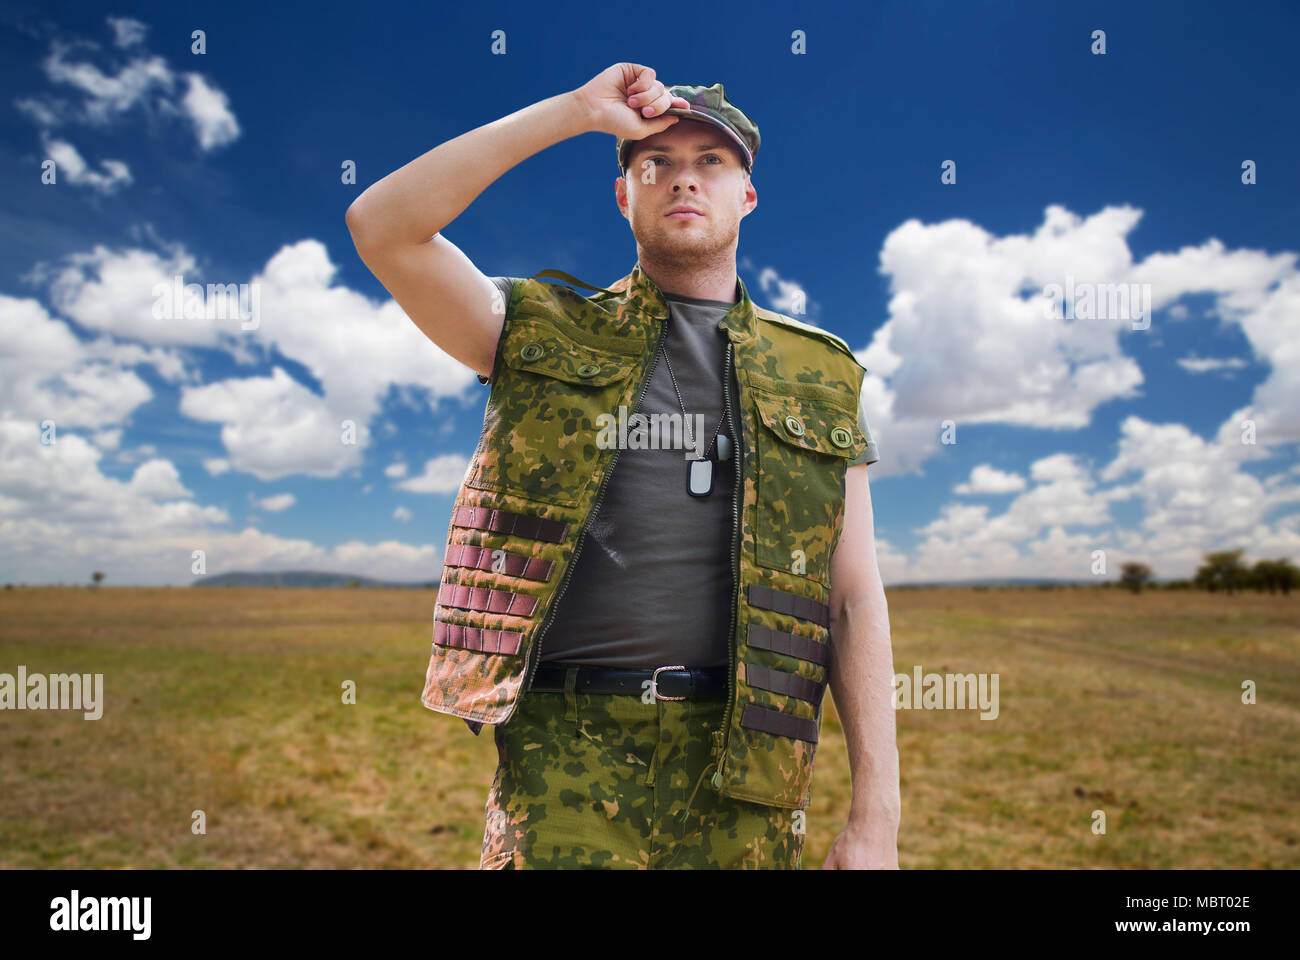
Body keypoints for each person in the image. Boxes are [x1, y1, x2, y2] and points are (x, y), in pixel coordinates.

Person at [346, 63, 899, 869]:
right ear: (622, 196)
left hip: (746, 764)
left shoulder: (822, 372)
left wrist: (875, 817)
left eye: (712, 162)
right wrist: (574, 112)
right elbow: (382, 226)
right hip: (567, 754)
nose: (684, 180)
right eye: (655, 163)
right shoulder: (534, 329)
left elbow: (851, 597)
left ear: (747, 195)